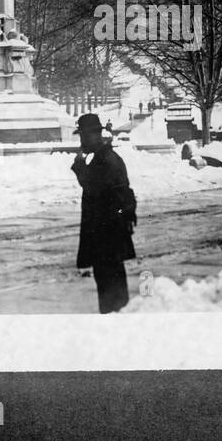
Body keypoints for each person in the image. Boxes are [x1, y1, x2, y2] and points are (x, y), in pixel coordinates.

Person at [71, 112, 137, 313]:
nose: (82, 140)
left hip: (107, 237)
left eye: (84, 136)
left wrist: (80, 166)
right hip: (107, 238)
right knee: (110, 288)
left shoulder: (105, 160)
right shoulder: (102, 158)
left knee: (111, 293)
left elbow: (96, 189)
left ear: (95, 135)